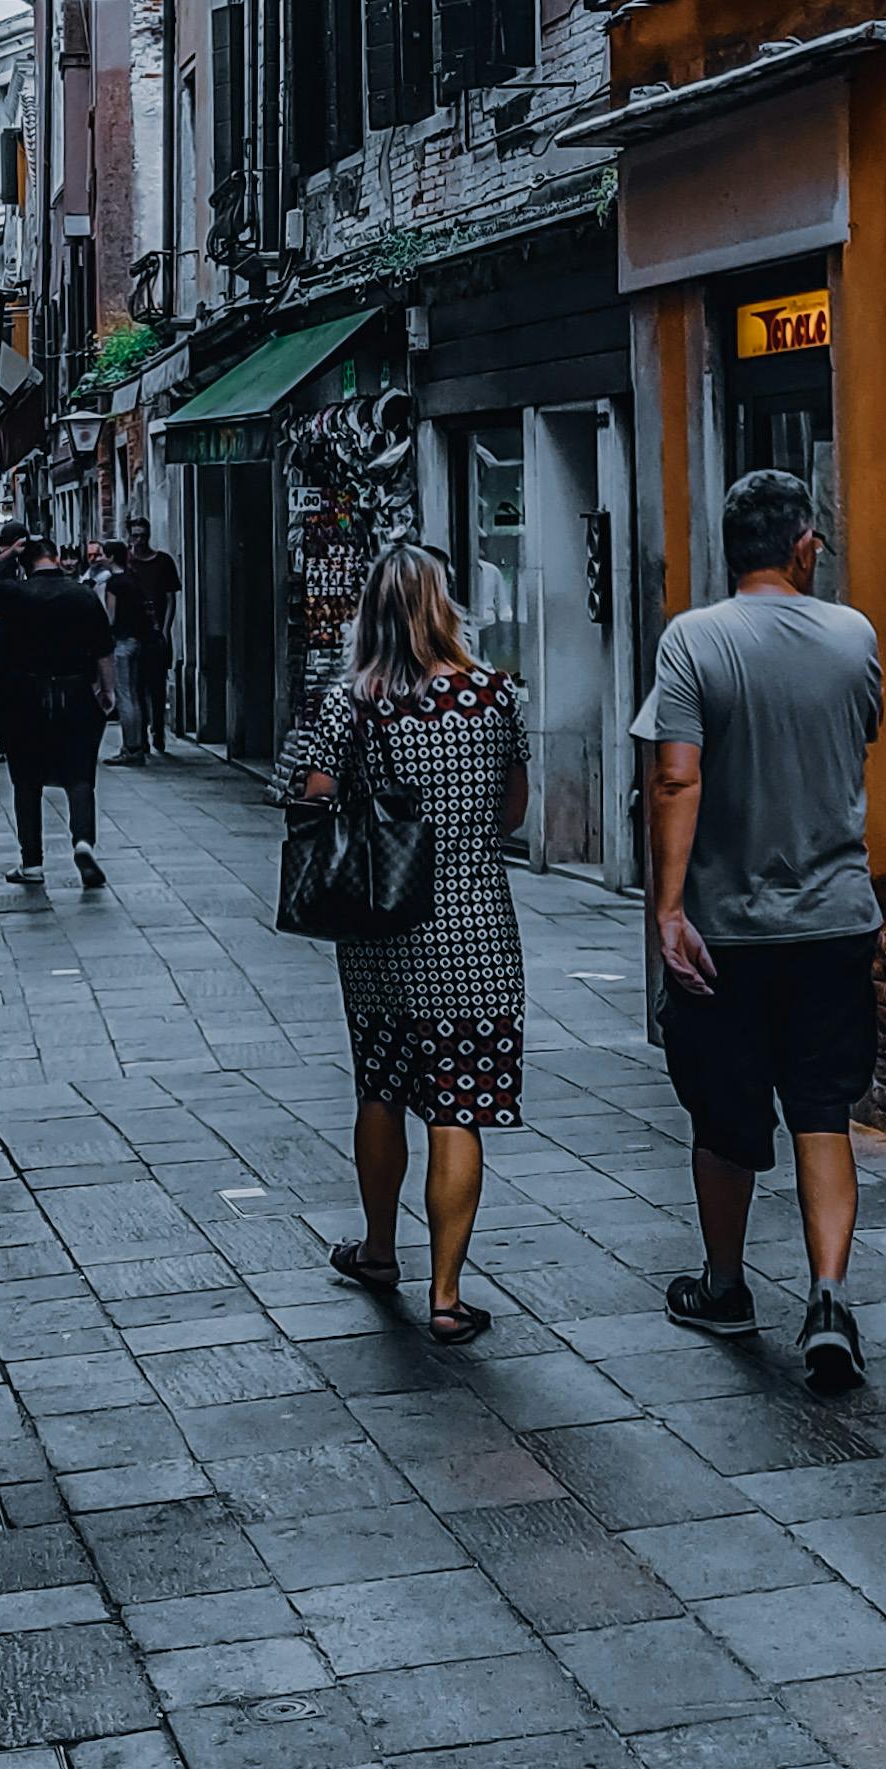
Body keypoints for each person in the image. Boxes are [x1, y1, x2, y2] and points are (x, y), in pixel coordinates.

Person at [638, 465, 884, 1393]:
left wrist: (666, 910)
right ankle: (827, 1297)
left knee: (723, 1111)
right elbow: (860, 739)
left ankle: (727, 1283)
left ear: (727, 548)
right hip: (832, 920)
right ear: (803, 544)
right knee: (824, 1107)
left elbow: (674, 777)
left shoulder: (691, 640)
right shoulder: (854, 635)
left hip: (724, 929)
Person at [285, 545, 527, 1344]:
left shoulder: (350, 702)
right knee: (459, 1104)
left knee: (382, 1087)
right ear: (444, 604)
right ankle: (448, 1294)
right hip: (475, 931)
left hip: (382, 927)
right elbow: (513, 811)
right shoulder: (494, 695)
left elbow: (314, 800)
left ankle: (381, 1249)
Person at [0, 533, 115, 889]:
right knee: (79, 775)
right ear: (56, 557)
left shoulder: (15, 594)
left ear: (24, 561)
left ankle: (32, 863)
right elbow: (103, 649)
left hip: (25, 695)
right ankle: (82, 841)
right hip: (76, 691)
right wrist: (108, 691)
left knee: (26, 779)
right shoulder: (82, 594)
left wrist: (7, 554)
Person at [108, 525, 182, 762]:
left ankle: (154, 732)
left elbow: (170, 598)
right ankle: (140, 741)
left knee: (154, 685)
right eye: (135, 535)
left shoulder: (161, 562)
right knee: (136, 689)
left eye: (143, 535)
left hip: (151, 634)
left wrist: (166, 628)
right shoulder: (131, 570)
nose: (139, 540)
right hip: (140, 634)